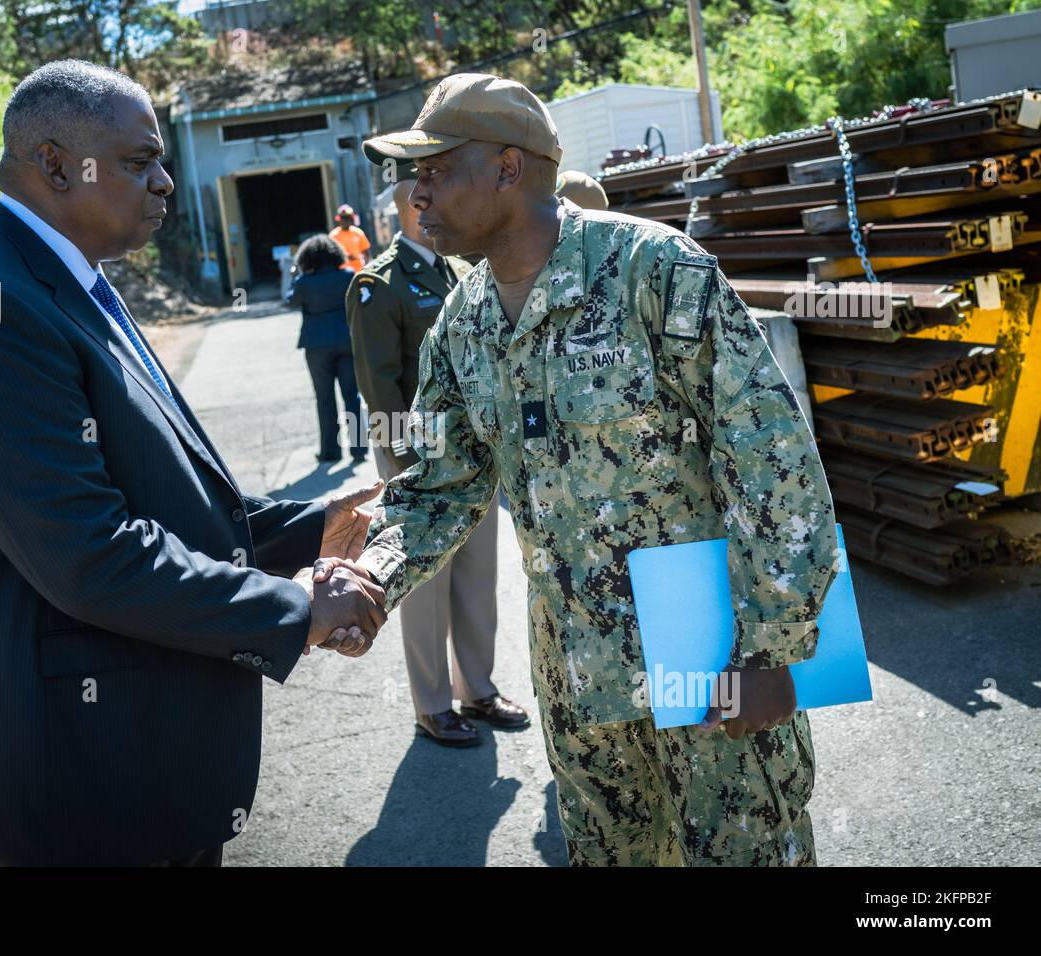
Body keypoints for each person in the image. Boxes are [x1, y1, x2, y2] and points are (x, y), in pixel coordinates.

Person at [0, 59, 386, 867]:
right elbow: (91, 555)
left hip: (127, 766)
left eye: (161, 162)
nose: (163, 182)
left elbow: (160, 495)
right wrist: (291, 608)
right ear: (54, 165)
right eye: (138, 161)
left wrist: (314, 524)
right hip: (69, 788)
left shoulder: (66, 282)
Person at [343, 72, 839, 865]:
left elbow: (773, 459)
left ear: (508, 168)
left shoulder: (653, 270)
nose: (415, 191)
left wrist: (775, 650)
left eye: (434, 168)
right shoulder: (463, 321)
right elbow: (439, 486)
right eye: (412, 174)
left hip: (708, 665)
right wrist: (369, 575)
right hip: (579, 683)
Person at [346, 165, 528, 746]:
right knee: (426, 583)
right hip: (419, 458)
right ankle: (432, 702)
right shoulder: (378, 284)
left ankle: (477, 686)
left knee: (477, 574)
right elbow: (378, 385)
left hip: (473, 453)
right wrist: (407, 468)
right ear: (409, 212)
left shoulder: (461, 270)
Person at [286, 234, 367, 463]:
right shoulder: (348, 276)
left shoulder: (304, 283)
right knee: (352, 395)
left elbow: (289, 301)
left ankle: (330, 452)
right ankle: (359, 449)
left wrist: (294, 277)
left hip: (317, 345)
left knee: (324, 398)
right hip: (346, 341)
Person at [329, 202, 371, 271]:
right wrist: (345, 256)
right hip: (342, 272)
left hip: (358, 271)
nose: (346, 220)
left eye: (348, 218)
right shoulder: (333, 236)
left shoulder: (358, 232)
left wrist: (365, 268)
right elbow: (331, 256)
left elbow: (366, 252)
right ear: (339, 219)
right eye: (343, 218)